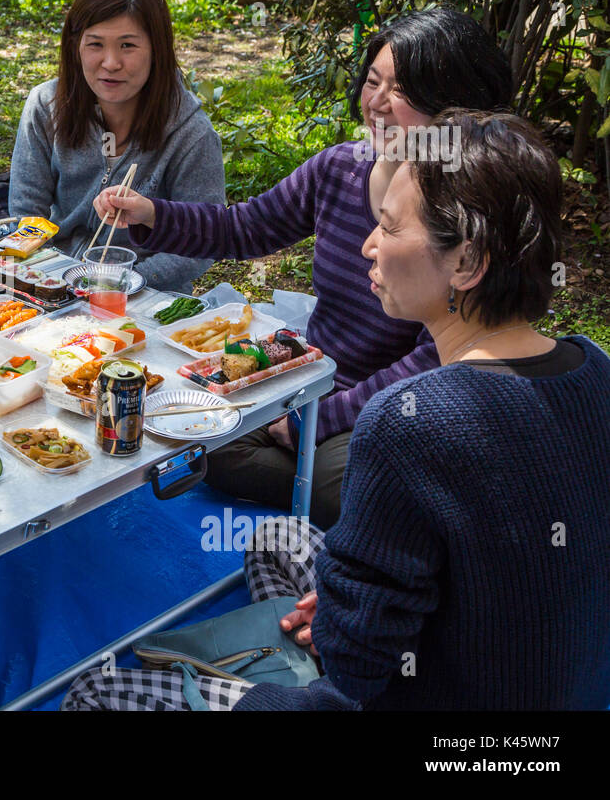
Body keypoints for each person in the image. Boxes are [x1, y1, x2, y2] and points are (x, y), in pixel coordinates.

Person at [65, 109, 610, 710]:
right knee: (279, 533)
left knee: (95, 688)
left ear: (466, 263)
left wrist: (302, 664)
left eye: (390, 227)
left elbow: (350, 689)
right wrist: (354, 604)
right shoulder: (595, 368)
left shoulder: (413, 423)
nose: (367, 245)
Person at [93, 8, 514, 527]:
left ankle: (348, 497)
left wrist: (312, 423)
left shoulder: (463, 215)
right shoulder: (341, 166)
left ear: (454, 108)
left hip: (388, 406)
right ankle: (329, 491)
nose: (377, 103)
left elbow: (436, 358)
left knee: (346, 485)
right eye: (373, 82)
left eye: (401, 92)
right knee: (200, 435)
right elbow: (244, 228)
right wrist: (152, 213)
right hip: (307, 372)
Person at [8, 0, 226, 294]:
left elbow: (204, 240)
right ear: (75, 47)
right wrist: (56, 280)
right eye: (95, 44)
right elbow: (26, 215)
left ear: (157, 49)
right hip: (59, 282)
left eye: (128, 45)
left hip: (152, 295)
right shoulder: (46, 106)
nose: (111, 62)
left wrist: (122, 283)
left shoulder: (190, 132)